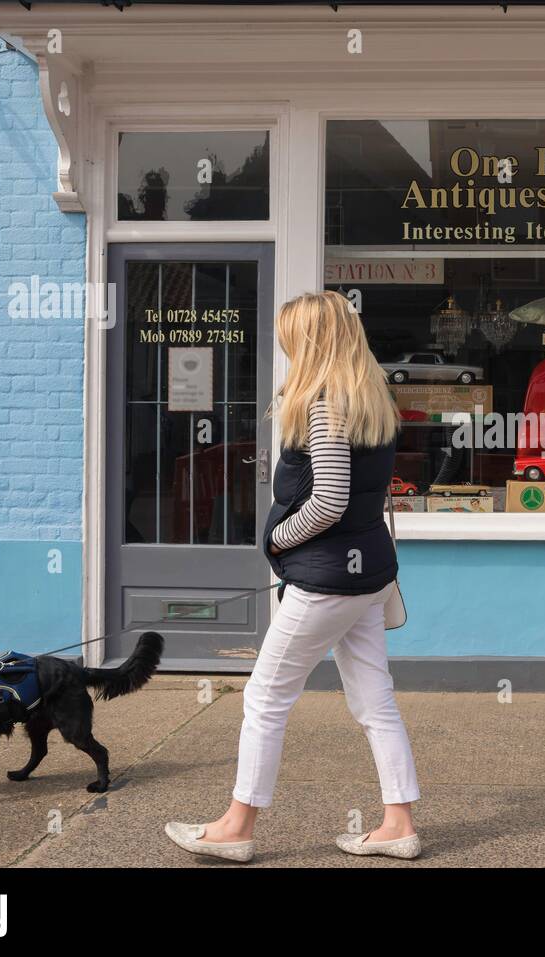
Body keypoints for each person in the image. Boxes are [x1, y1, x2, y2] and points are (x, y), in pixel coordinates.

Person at [165, 290, 419, 862]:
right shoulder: (373, 401)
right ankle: (397, 823)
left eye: (289, 338)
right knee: (376, 701)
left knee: (265, 699)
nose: (283, 348)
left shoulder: (326, 405)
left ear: (310, 341)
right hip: (368, 578)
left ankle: (235, 828)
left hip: (325, 581)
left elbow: (328, 501)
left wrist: (276, 539)